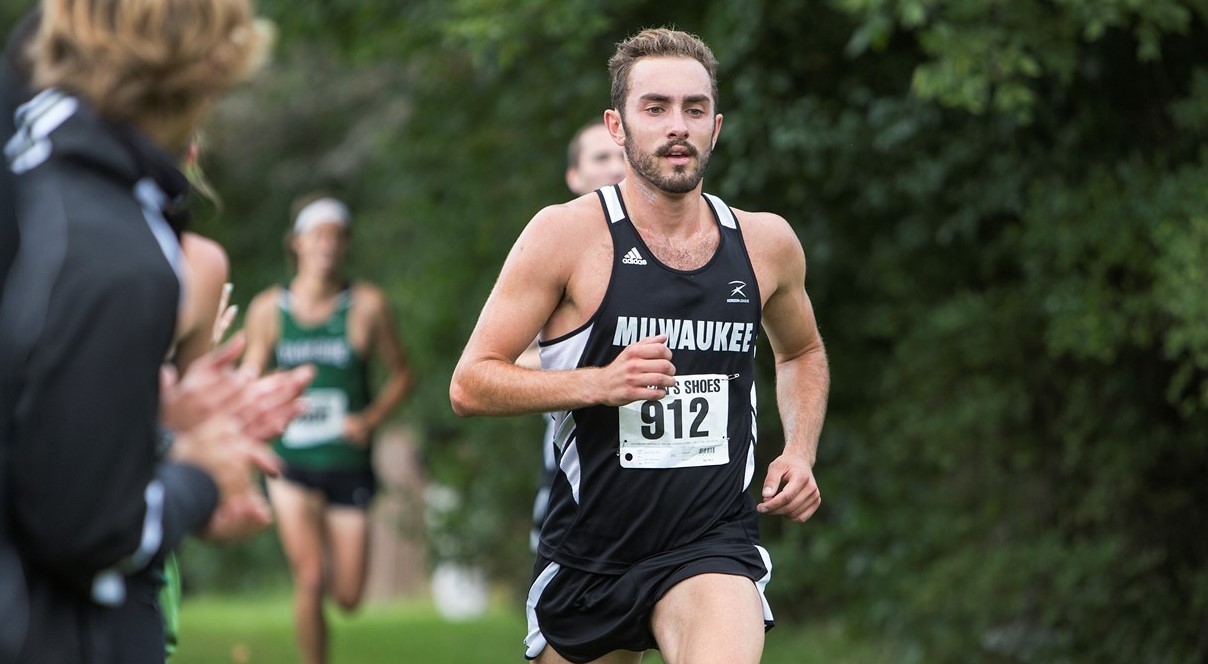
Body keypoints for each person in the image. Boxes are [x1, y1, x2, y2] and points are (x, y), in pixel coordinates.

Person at [450, 27, 829, 664]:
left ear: (716, 126)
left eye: (694, 108)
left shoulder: (765, 243)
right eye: (655, 108)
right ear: (618, 126)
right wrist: (597, 383)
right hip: (591, 551)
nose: (676, 125)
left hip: (712, 543)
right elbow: (471, 382)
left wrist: (799, 450)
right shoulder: (565, 235)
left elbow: (801, 352)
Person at [0, 1, 301, 662]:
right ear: (212, 65)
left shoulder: (27, 165)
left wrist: (152, 418)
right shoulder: (115, 253)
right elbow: (88, 531)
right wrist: (200, 472)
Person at [242, 195, 414, 664]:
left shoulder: (366, 306)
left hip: (347, 462)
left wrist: (370, 419)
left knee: (349, 596)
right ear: (296, 243)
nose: (327, 245)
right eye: (318, 235)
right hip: (290, 461)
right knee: (311, 577)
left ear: (346, 246)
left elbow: (402, 373)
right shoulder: (268, 310)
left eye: (337, 236)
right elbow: (249, 377)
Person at [523, 119, 626, 553]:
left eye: (622, 156)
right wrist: (598, 376)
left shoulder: (681, 242)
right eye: (600, 158)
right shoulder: (554, 246)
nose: (615, 168)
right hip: (581, 458)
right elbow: (503, 364)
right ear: (574, 176)